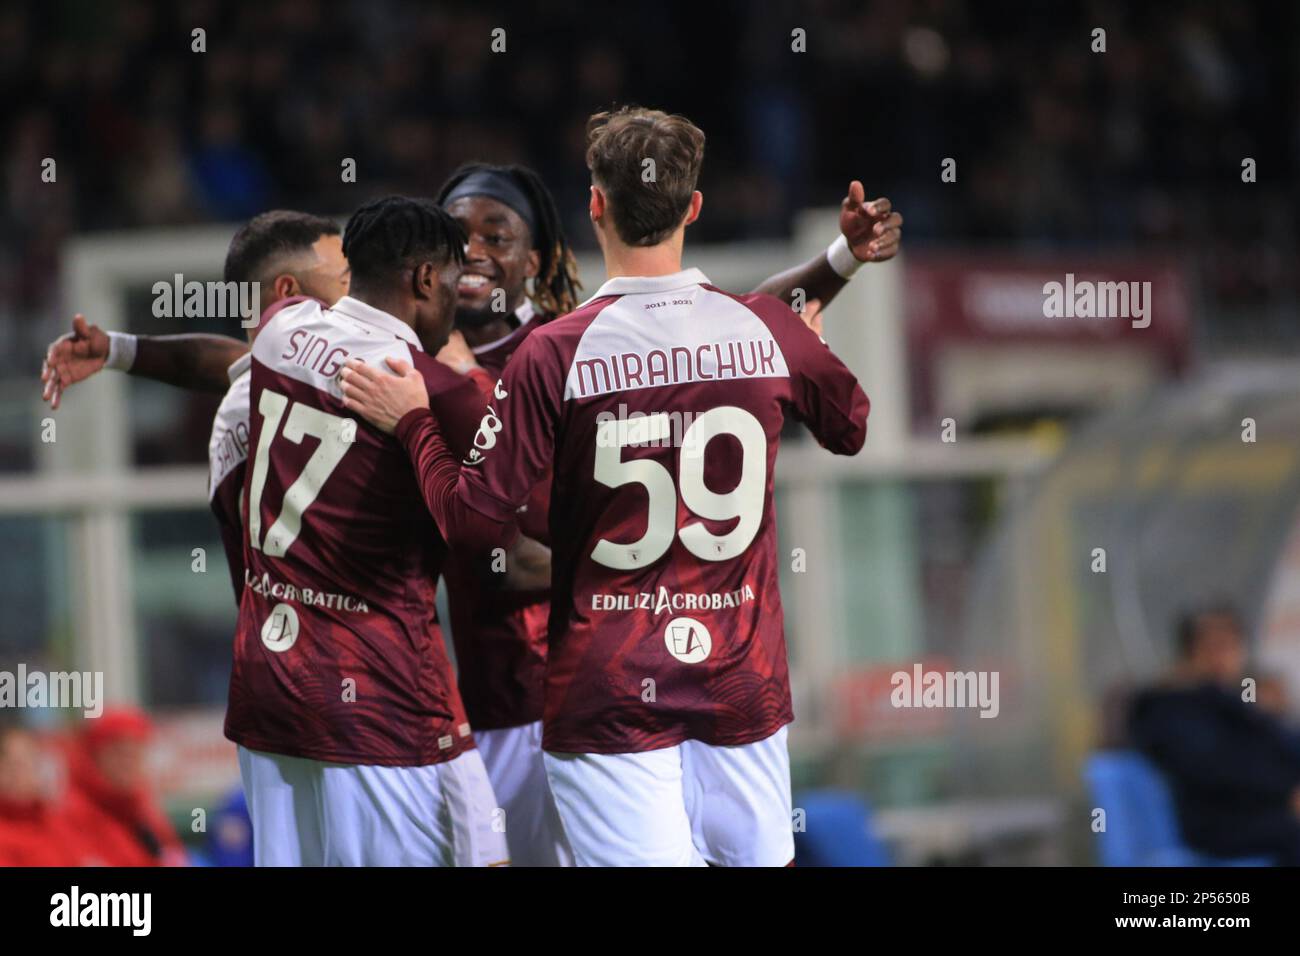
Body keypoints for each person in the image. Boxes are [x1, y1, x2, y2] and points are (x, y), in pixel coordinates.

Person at [41, 164, 901, 866]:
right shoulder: (485, 372)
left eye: (498, 235)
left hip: (496, 690)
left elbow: (725, 322)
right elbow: (493, 516)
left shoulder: (318, 335)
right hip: (425, 695)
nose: (478, 256)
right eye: (463, 238)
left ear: (540, 252)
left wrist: (123, 350)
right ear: (426, 274)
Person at [340, 107, 872, 866]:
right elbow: (850, 427)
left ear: (594, 204)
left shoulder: (552, 353)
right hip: (740, 680)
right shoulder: (762, 328)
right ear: (694, 206)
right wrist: (806, 344)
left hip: (610, 688)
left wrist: (415, 426)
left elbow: (473, 526)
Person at [224, 195, 510, 866]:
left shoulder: (278, 329)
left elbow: (232, 356)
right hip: (376, 694)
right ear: (425, 280)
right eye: (453, 284)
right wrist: (431, 413)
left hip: (267, 680)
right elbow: (481, 535)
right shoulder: (440, 392)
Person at [1129, 604, 1300, 864]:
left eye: (1230, 646)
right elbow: (1214, 770)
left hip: (1263, 811)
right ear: (1189, 652)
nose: (1222, 657)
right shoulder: (1171, 708)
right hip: (1217, 825)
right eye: (1212, 647)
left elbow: (1281, 744)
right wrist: (1284, 796)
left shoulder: (1229, 701)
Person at [61, 707, 189, 867]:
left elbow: (174, 854)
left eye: (136, 752)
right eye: (118, 752)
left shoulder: (142, 806)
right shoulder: (73, 812)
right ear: (93, 757)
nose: (128, 762)